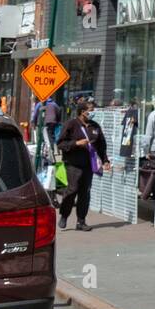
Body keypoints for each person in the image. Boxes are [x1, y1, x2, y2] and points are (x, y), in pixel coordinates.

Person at [56, 99, 113, 231]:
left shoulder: (95, 127)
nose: (93, 112)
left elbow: (101, 145)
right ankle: (64, 215)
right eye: (91, 110)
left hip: (89, 164)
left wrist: (105, 160)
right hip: (73, 164)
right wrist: (76, 144)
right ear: (83, 112)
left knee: (85, 192)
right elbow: (60, 144)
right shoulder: (71, 124)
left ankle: (81, 221)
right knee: (72, 190)